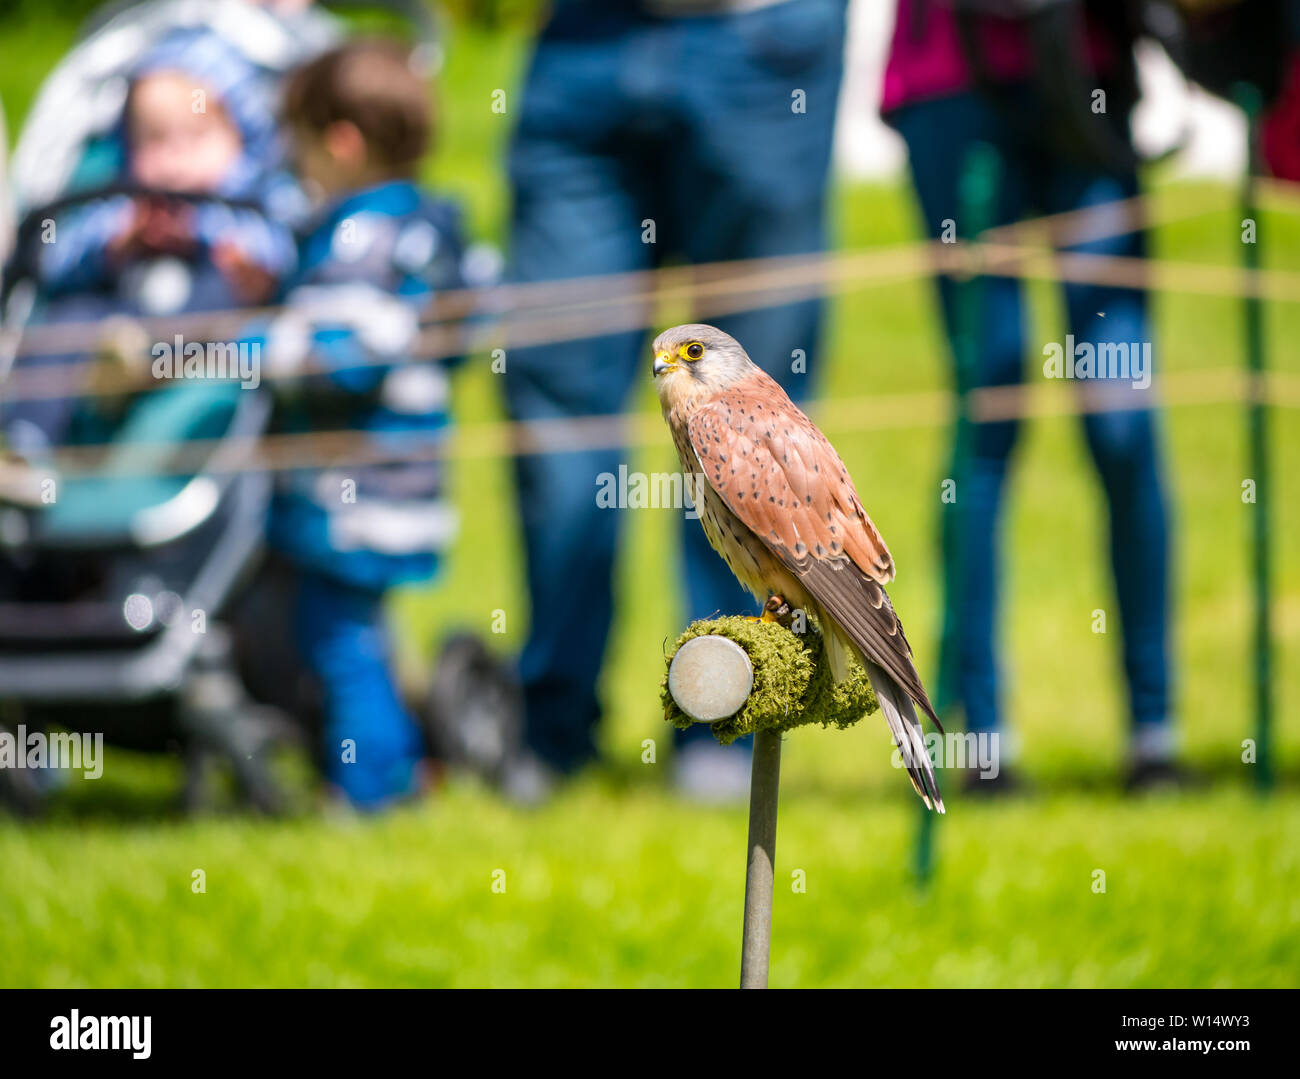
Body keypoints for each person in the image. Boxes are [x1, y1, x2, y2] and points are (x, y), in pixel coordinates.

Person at [501, 0, 848, 803]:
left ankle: (721, 709)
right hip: (582, 37)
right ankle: (551, 729)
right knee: (557, 396)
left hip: (765, 40)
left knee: (747, 427)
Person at [881, 0, 1177, 790]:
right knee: (990, 405)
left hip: (1088, 70)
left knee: (1122, 416)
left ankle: (1156, 736)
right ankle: (984, 742)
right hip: (948, 75)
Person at [250, 38, 469, 809]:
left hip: (356, 497)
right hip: (400, 487)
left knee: (337, 640)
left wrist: (248, 346)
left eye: (299, 147)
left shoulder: (356, 237)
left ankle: (369, 786)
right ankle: (406, 760)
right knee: (360, 634)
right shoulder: (423, 227)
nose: (294, 165)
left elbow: (342, 360)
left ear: (341, 143)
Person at [0, 25, 297, 497]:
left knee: (214, 306)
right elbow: (55, 260)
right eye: (154, 141)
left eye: (195, 137)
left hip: (194, 337)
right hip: (115, 324)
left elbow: (281, 251)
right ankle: (25, 446)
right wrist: (119, 242)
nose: (173, 160)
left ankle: (138, 370)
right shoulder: (118, 200)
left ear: (240, 137)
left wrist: (230, 255)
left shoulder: (250, 200)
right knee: (65, 323)